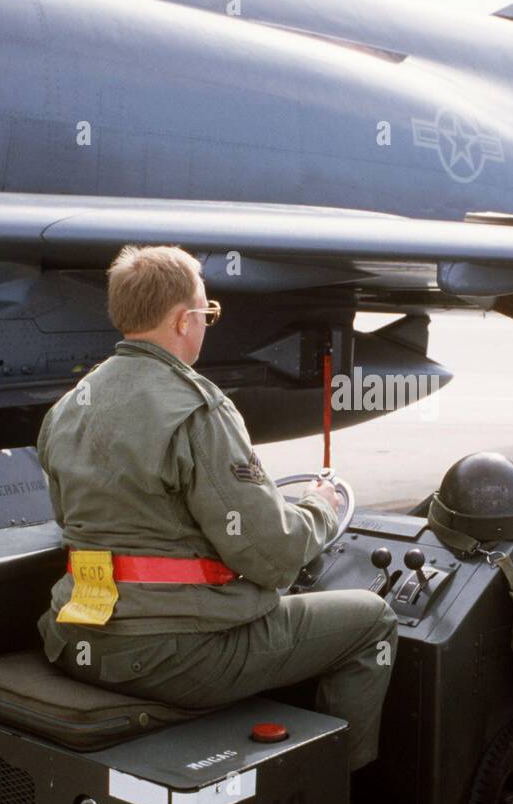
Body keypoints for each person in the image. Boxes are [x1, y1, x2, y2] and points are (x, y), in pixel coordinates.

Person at [35, 244, 397, 773]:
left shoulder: (70, 406)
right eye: (206, 314)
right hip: (171, 657)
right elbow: (273, 555)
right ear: (183, 321)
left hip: (73, 637)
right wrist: (320, 507)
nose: (206, 324)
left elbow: (74, 523)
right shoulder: (197, 408)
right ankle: (346, 798)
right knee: (374, 621)